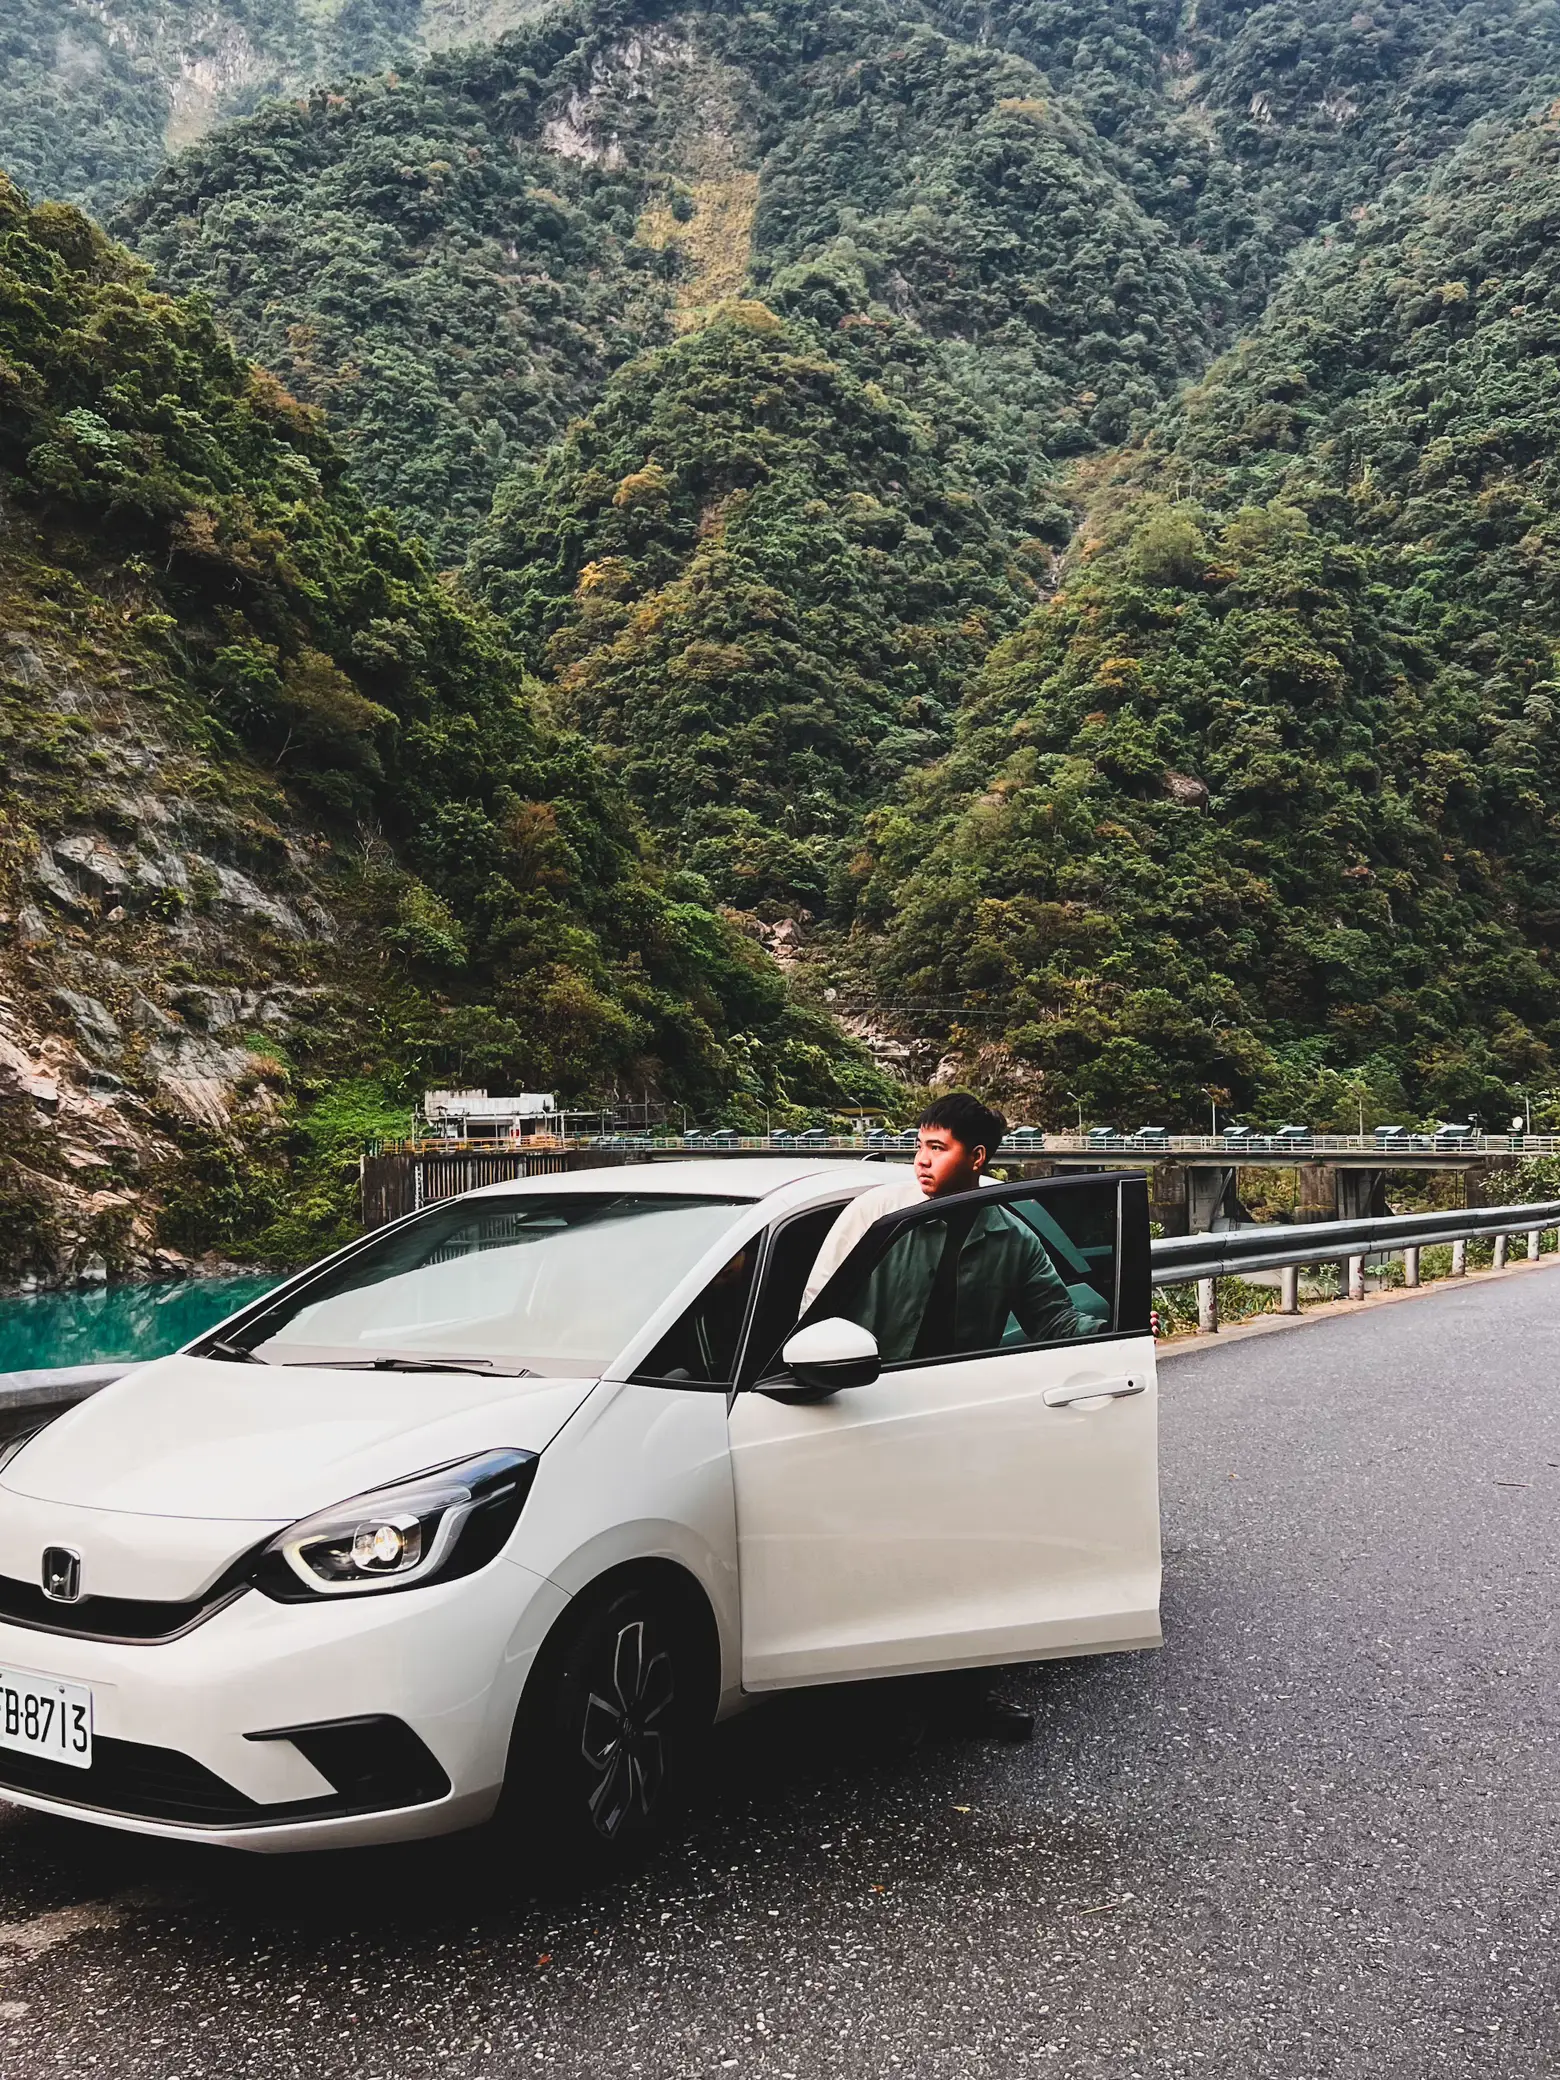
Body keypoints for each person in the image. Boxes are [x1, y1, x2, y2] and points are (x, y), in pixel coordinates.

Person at [800, 1092, 1099, 1743]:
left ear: (977, 1157)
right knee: (873, 1561)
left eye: (938, 1148)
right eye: (919, 1145)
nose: (921, 1160)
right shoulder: (878, 1216)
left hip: (956, 1416)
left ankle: (966, 1697)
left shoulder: (1010, 1236)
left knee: (965, 1561)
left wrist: (1120, 1331)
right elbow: (816, 1309)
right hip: (867, 1406)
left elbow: (1054, 1320)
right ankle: (867, 1704)